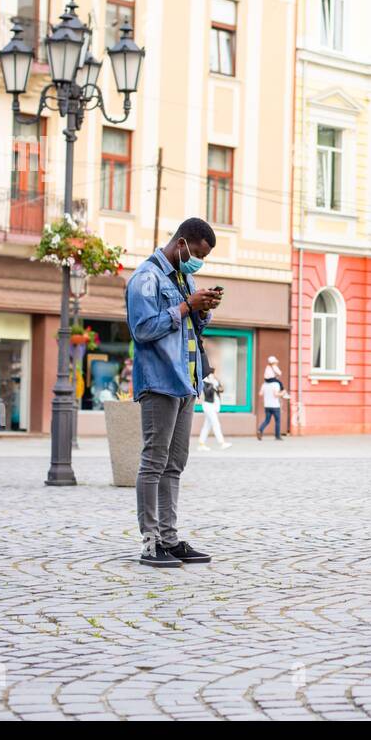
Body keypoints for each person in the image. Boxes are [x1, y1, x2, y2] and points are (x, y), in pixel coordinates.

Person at [126, 218, 223, 568]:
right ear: (181, 244)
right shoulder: (145, 278)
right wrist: (185, 306)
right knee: (154, 461)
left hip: (186, 381)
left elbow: (191, 327)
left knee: (174, 465)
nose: (199, 262)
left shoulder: (186, 278)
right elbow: (142, 329)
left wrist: (204, 308)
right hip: (159, 380)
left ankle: (169, 537)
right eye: (196, 254)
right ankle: (150, 542)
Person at [198, 363, 231, 450]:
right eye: (211, 372)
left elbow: (221, 389)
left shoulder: (215, 380)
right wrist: (211, 385)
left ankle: (201, 443)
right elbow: (207, 393)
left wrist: (216, 385)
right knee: (216, 424)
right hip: (208, 406)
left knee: (207, 425)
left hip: (215, 405)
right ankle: (222, 442)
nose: (212, 374)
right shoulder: (205, 382)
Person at [257, 374, 287, 441]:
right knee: (277, 421)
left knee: (267, 420)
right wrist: (283, 393)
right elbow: (276, 395)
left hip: (267, 405)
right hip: (275, 405)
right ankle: (277, 436)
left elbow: (260, 394)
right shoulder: (276, 384)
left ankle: (260, 430)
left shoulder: (264, 384)